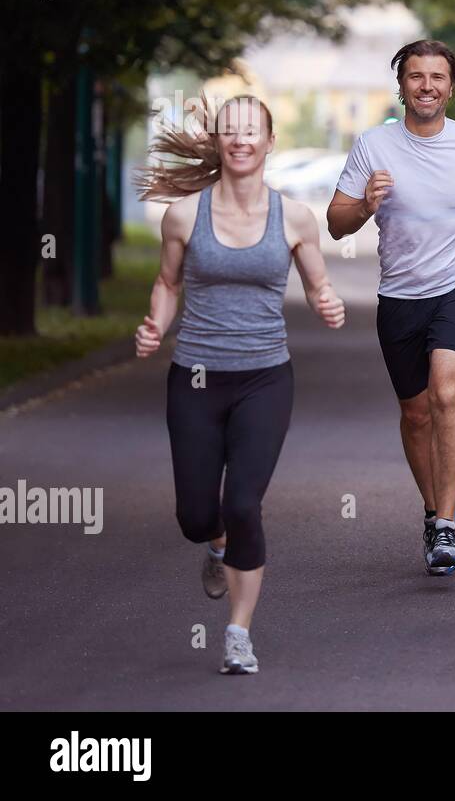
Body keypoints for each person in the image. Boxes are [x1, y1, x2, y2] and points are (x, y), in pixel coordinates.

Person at [134, 95, 346, 675]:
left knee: (244, 503)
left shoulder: (295, 217)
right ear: (219, 142)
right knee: (196, 516)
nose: (242, 139)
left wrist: (326, 302)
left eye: (252, 131)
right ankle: (216, 543)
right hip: (197, 378)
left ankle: (237, 633)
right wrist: (156, 322)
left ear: (269, 141)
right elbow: (167, 282)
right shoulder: (184, 215)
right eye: (231, 131)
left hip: (264, 378)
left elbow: (318, 283)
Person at [327, 40, 455, 575]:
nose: (426, 86)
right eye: (416, 76)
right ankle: (431, 509)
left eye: (436, 77)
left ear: (452, 85)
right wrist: (366, 205)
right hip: (399, 295)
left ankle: (446, 525)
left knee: (446, 393)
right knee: (415, 413)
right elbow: (336, 222)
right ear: (401, 85)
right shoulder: (374, 146)